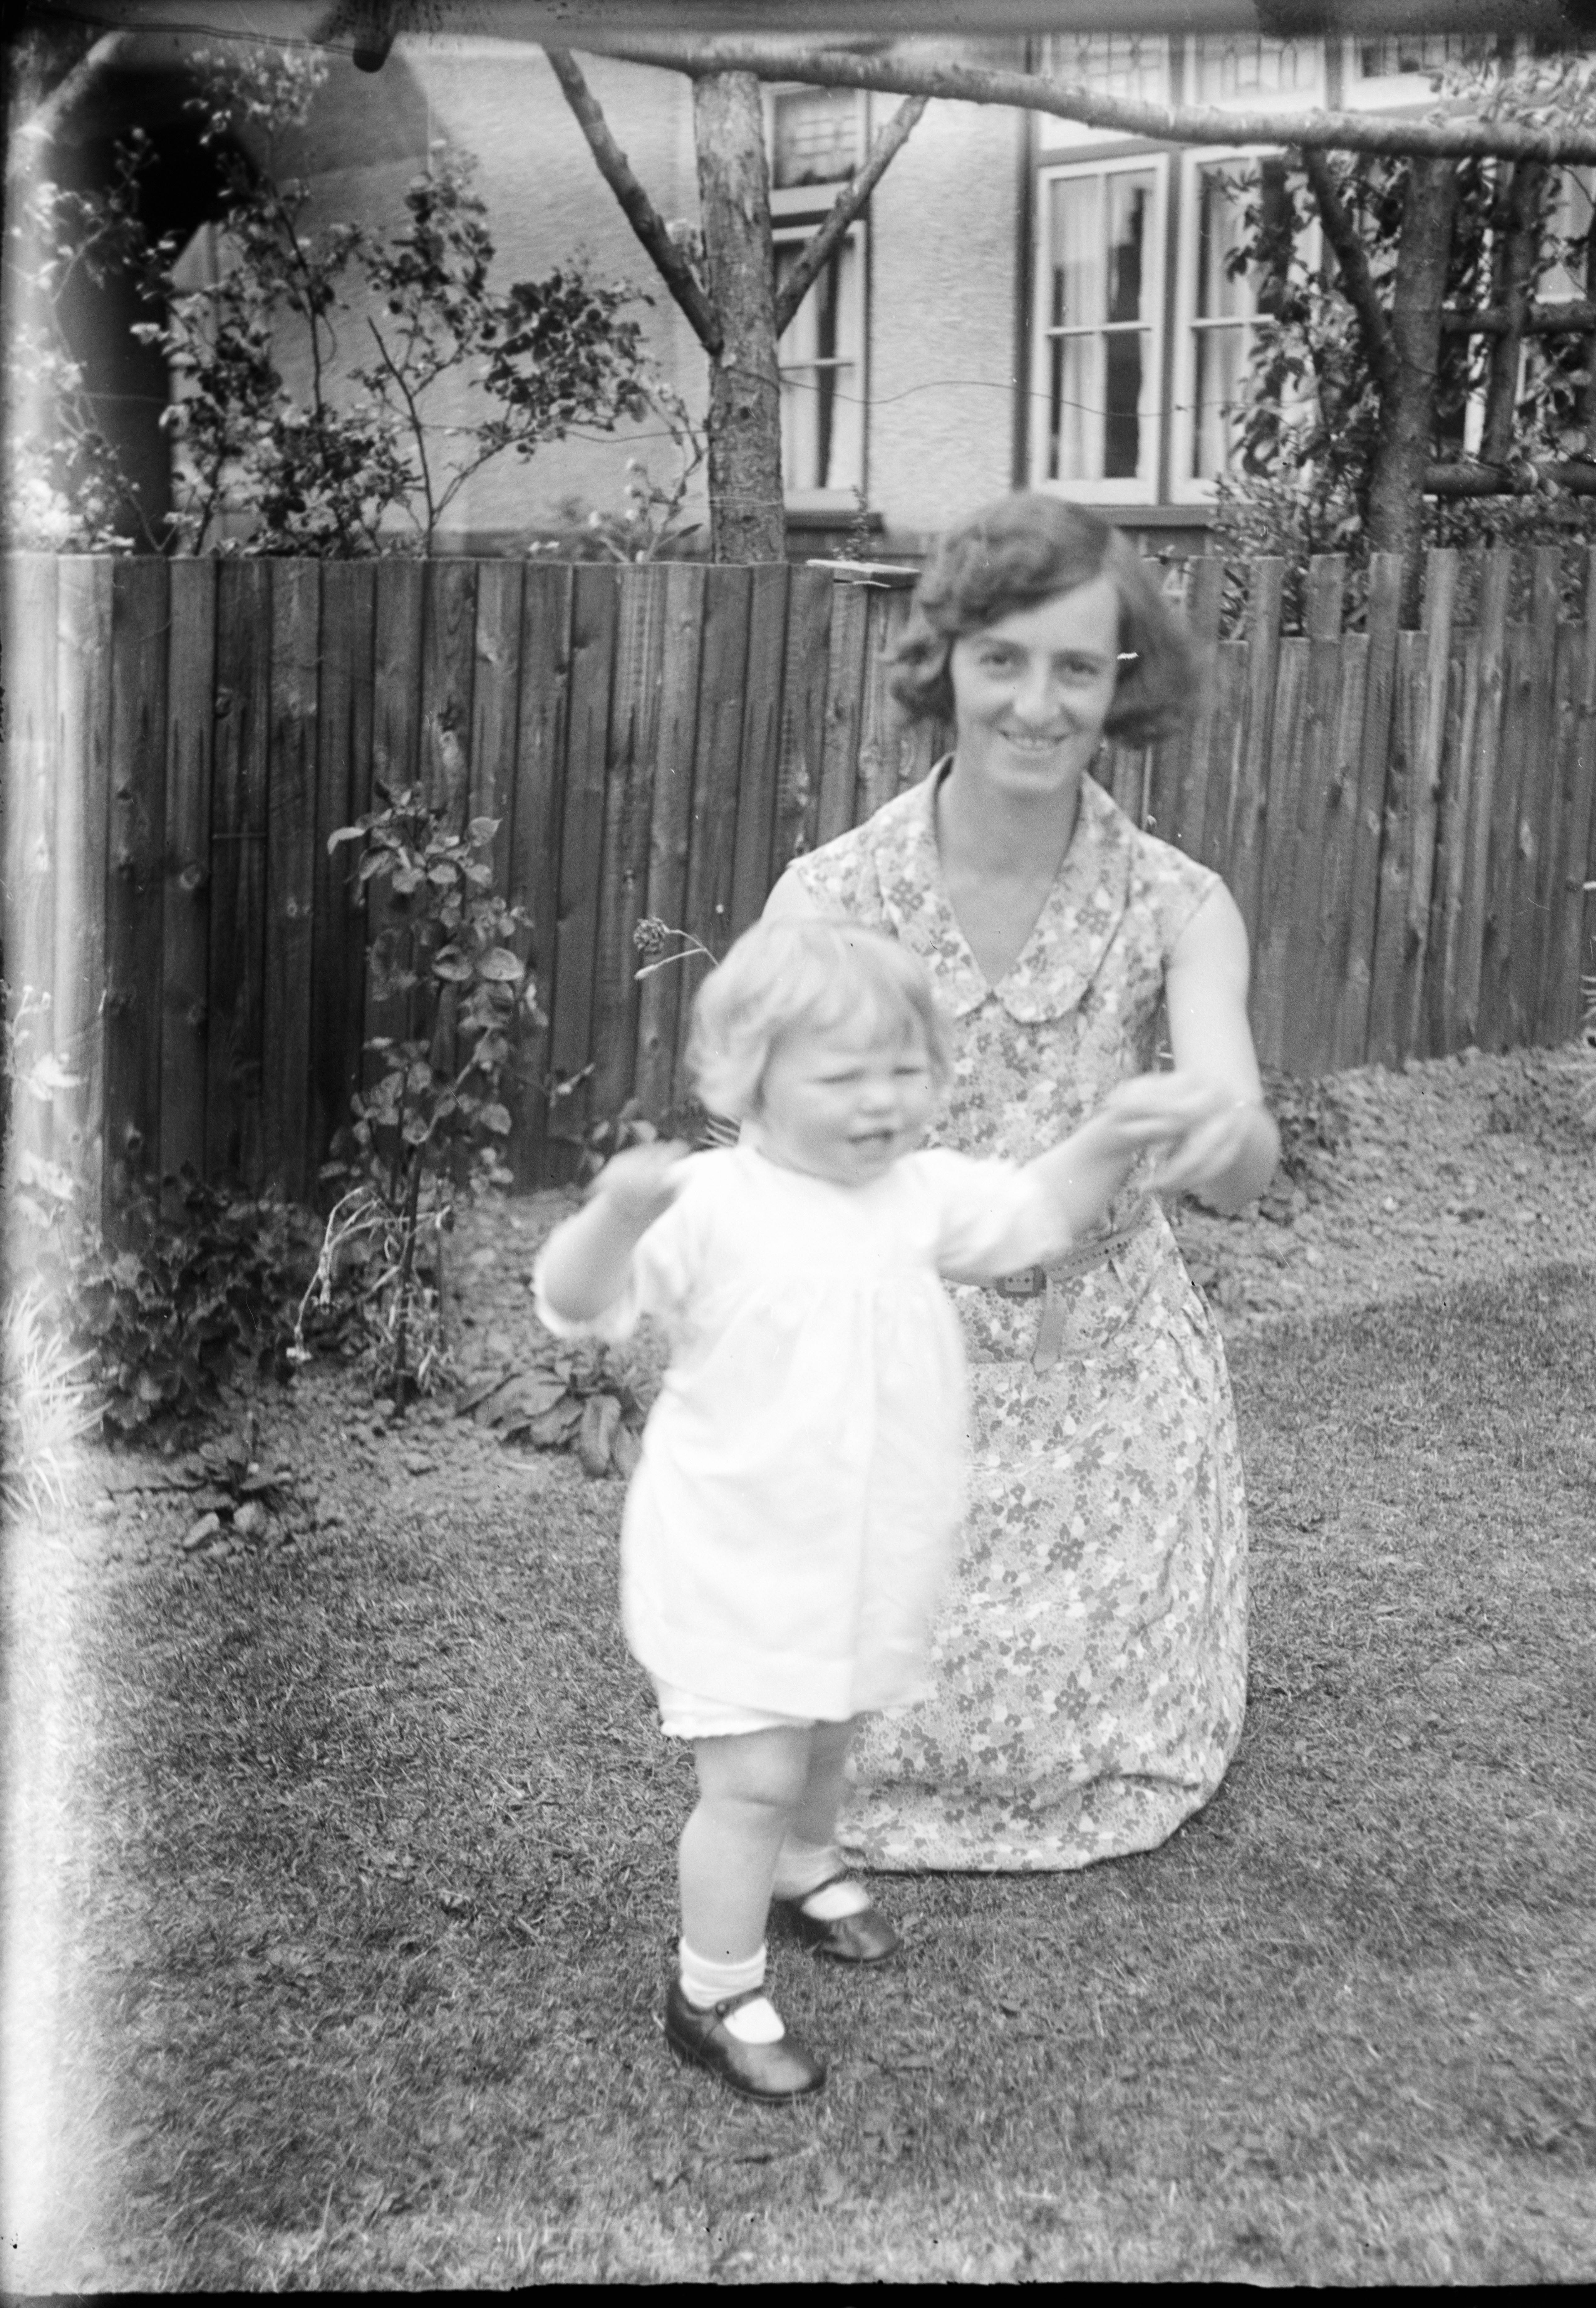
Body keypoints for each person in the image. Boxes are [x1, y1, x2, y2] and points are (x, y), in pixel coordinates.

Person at [531, 916, 1181, 2102]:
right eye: (843, 1076)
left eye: (906, 1071)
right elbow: (575, 1304)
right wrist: (617, 1217)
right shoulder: (713, 1205)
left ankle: (805, 1867)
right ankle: (713, 1989)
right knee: (756, 1772)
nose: (882, 1101)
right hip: (738, 1552)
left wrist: (1111, 1133)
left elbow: (1034, 1215)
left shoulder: (914, 1194)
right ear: (752, 1080)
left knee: (832, 1729)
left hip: (859, 1545)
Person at [758, 491, 1280, 1874]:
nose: (1036, 705)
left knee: (1079, 1738)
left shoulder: (1180, 905)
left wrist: (1216, 1132)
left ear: (1125, 678)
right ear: (947, 665)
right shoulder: (830, 897)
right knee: (844, 1723)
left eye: (1075, 666)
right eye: (1003, 660)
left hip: (1102, 1382)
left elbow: (1242, 1147)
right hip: (892, 1375)